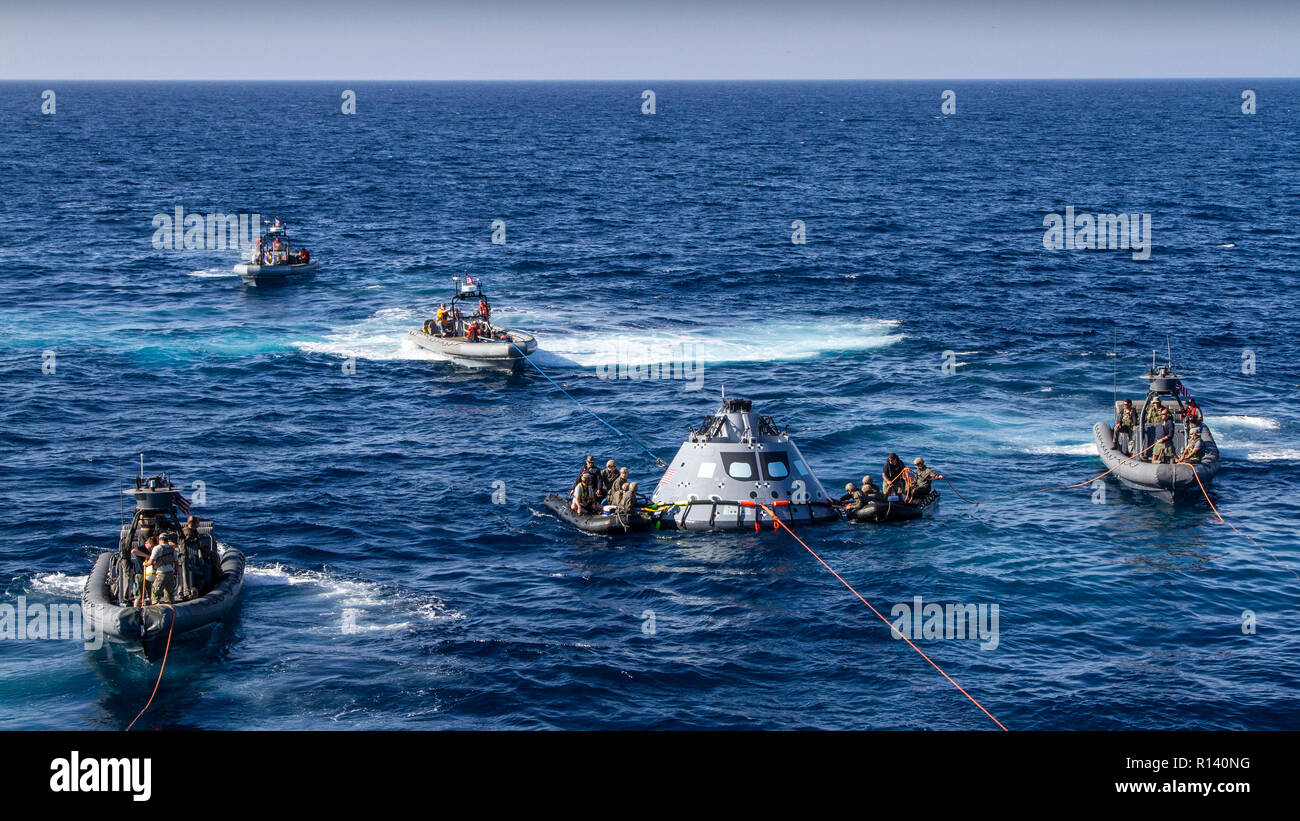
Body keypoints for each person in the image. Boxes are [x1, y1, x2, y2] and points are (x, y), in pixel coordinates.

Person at [146, 533, 177, 605]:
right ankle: (170, 609)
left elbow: (151, 562)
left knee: (155, 593)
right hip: (170, 573)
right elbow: (176, 562)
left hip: (161, 573)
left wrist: (145, 564)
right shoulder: (172, 549)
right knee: (170, 594)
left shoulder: (157, 548)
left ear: (159, 540)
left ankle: (156, 610)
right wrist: (175, 573)